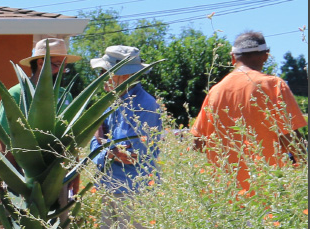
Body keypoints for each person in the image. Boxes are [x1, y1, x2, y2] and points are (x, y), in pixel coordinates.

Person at [191, 30, 306, 186]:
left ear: (233, 58)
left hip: (224, 194)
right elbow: (290, 138)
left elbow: (198, 143)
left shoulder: (215, 91)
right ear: (266, 55)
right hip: (265, 191)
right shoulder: (274, 85)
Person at [88, 45, 163, 195]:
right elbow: (98, 145)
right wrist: (107, 149)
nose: (100, 77)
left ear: (125, 76)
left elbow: (129, 154)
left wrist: (101, 138)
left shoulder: (145, 105)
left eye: (104, 72)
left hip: (135, 191)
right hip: (109, 187)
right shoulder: (112, 103)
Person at [3, 36, 82, 130]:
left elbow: (70, 132)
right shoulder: (17, 94)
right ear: (40, 63)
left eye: (64, 67)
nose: (63, 71)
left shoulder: (65, 95)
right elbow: (4, 137)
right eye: (58, 65)